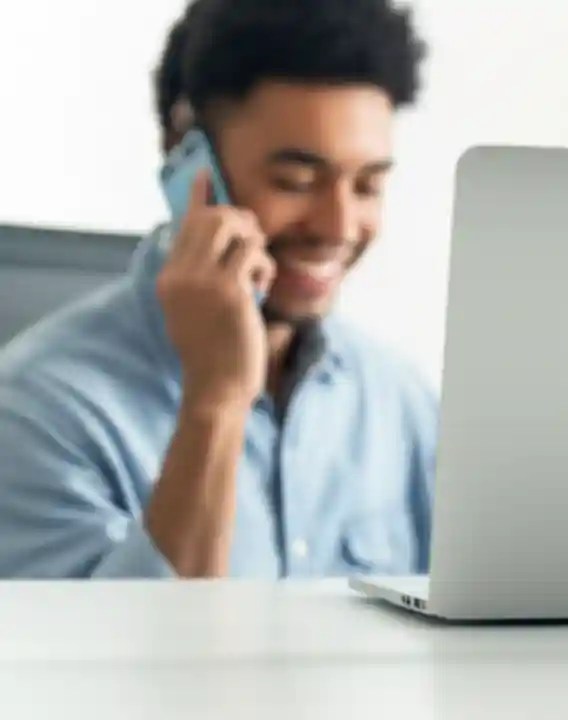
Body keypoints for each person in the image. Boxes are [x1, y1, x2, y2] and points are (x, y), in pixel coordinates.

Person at [0, 0, 437, 579]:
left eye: (367, 186)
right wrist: (216, 400)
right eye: (296, 181)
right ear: (187, 157)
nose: (338, 227)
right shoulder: (40, 412)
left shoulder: (399, 404)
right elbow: (142, 665)